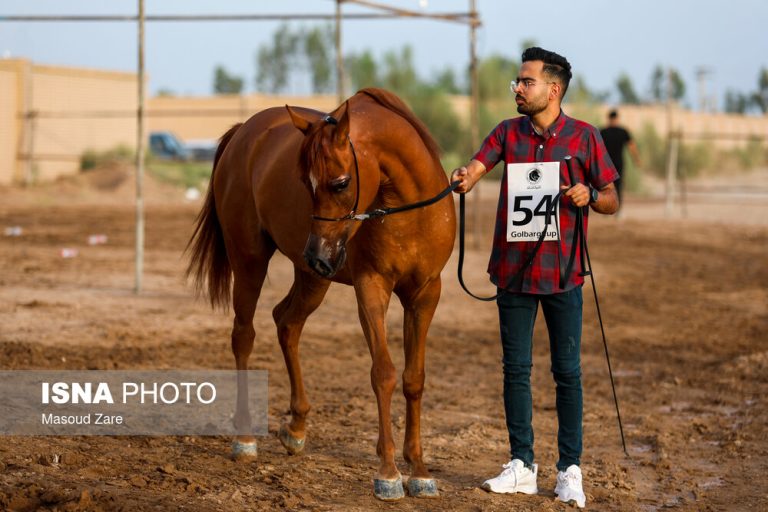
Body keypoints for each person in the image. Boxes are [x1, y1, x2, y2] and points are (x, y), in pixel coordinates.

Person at [451, 47, 619, 509]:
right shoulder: (508, 133)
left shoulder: (584, 137)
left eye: (526, 82)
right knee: (516, 371)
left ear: (554, 89)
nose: (518, 89)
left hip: (564, 274)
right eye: (517, 82)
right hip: (513, 273)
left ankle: (570, 470)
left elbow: (611, 197)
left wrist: (590, 195)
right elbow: (479, 165)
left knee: (567, 373)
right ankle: (521, 465)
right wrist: (465, 176)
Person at [600, 109, 641, 209]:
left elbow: (597, 148)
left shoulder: (603, 132)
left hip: (607, 164)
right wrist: (636, 160)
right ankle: (615, 208)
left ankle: (612, 208)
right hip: (617, 163)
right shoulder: (622, 131)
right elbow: (632, 146)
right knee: (617, 186)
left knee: (607, 186)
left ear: (609, 119)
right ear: (617, 119)